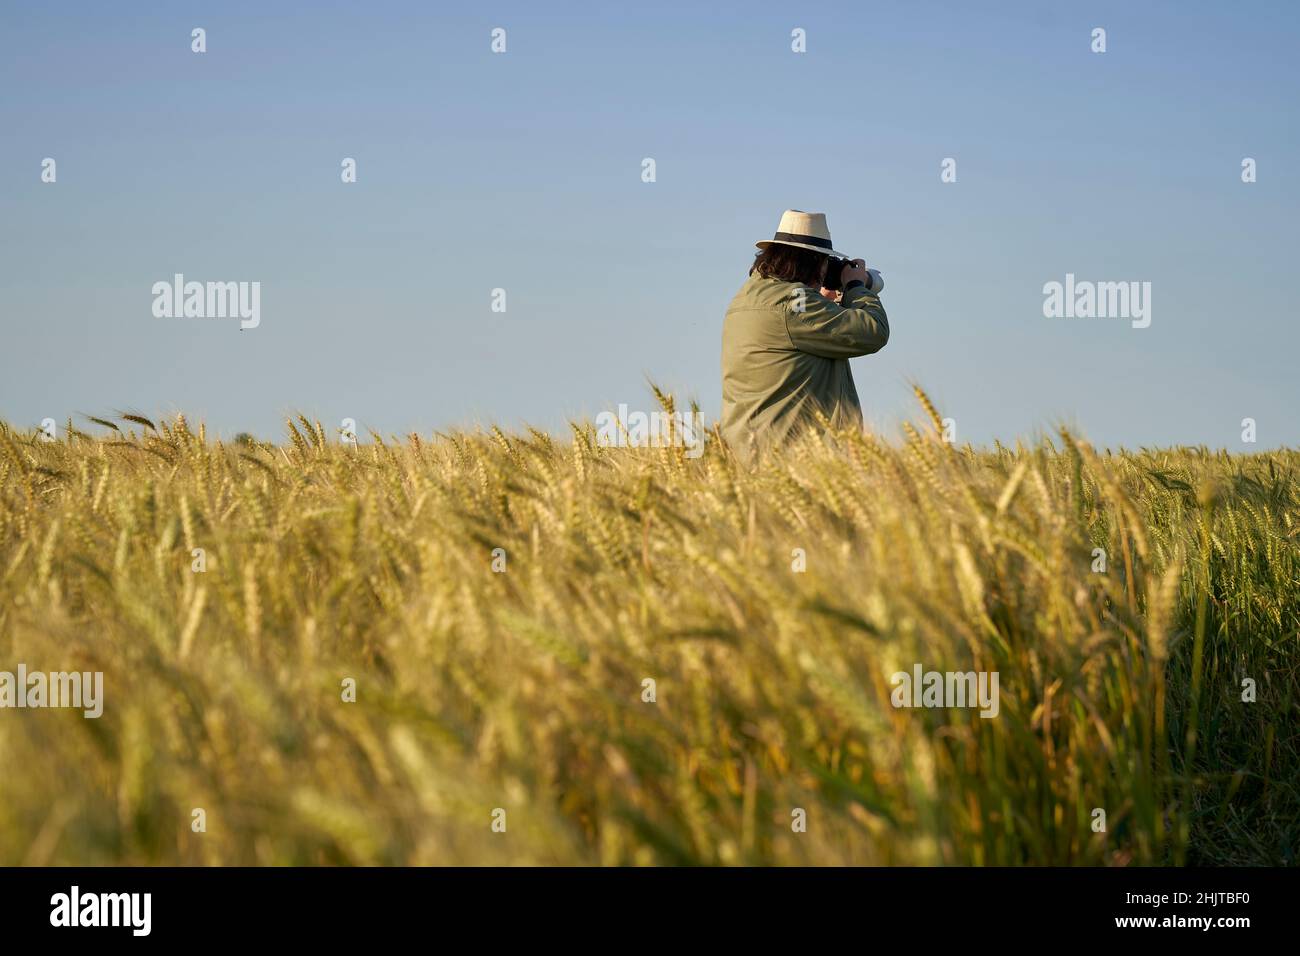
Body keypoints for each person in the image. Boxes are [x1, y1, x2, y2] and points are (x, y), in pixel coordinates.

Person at [720, 209, 890, 462]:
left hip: (752, 453)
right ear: (812, 262)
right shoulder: (792, 303)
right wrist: (855, 286)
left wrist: (825, 304)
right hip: (791, 459)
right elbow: (872, 331)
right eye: (826, 262)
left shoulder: (749, 296)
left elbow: (792, 335)